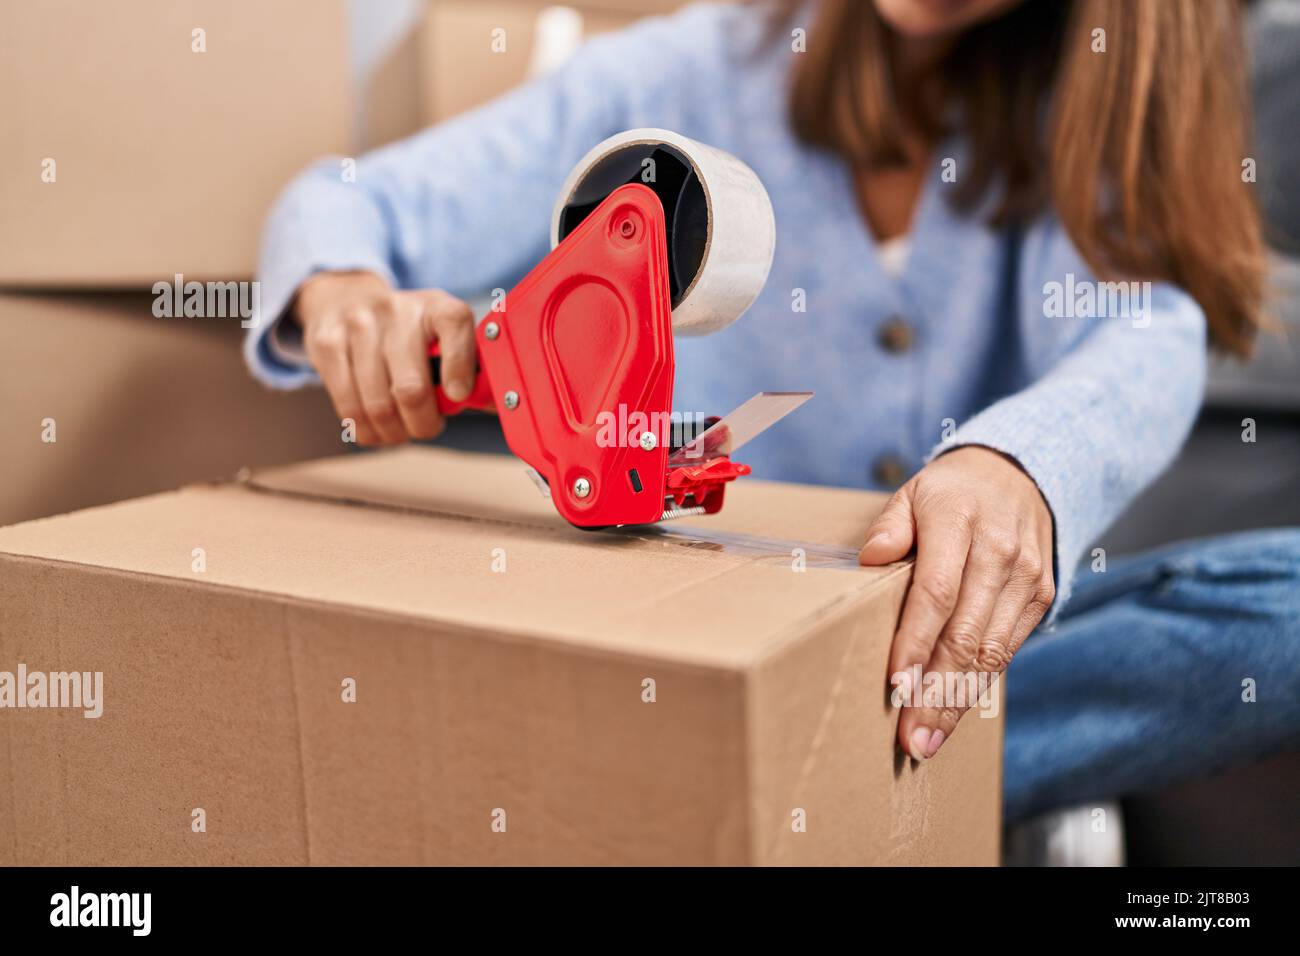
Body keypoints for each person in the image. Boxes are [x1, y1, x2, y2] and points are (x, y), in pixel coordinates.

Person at [244, 0, 1300, 832]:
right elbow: (340, 201)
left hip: (938, 673)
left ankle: (869, 788)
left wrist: (1024, 464)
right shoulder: (689, 68)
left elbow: (1148, 333)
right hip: (696, 656)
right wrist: (345, 297)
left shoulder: (1084, 113)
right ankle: (885, 796)